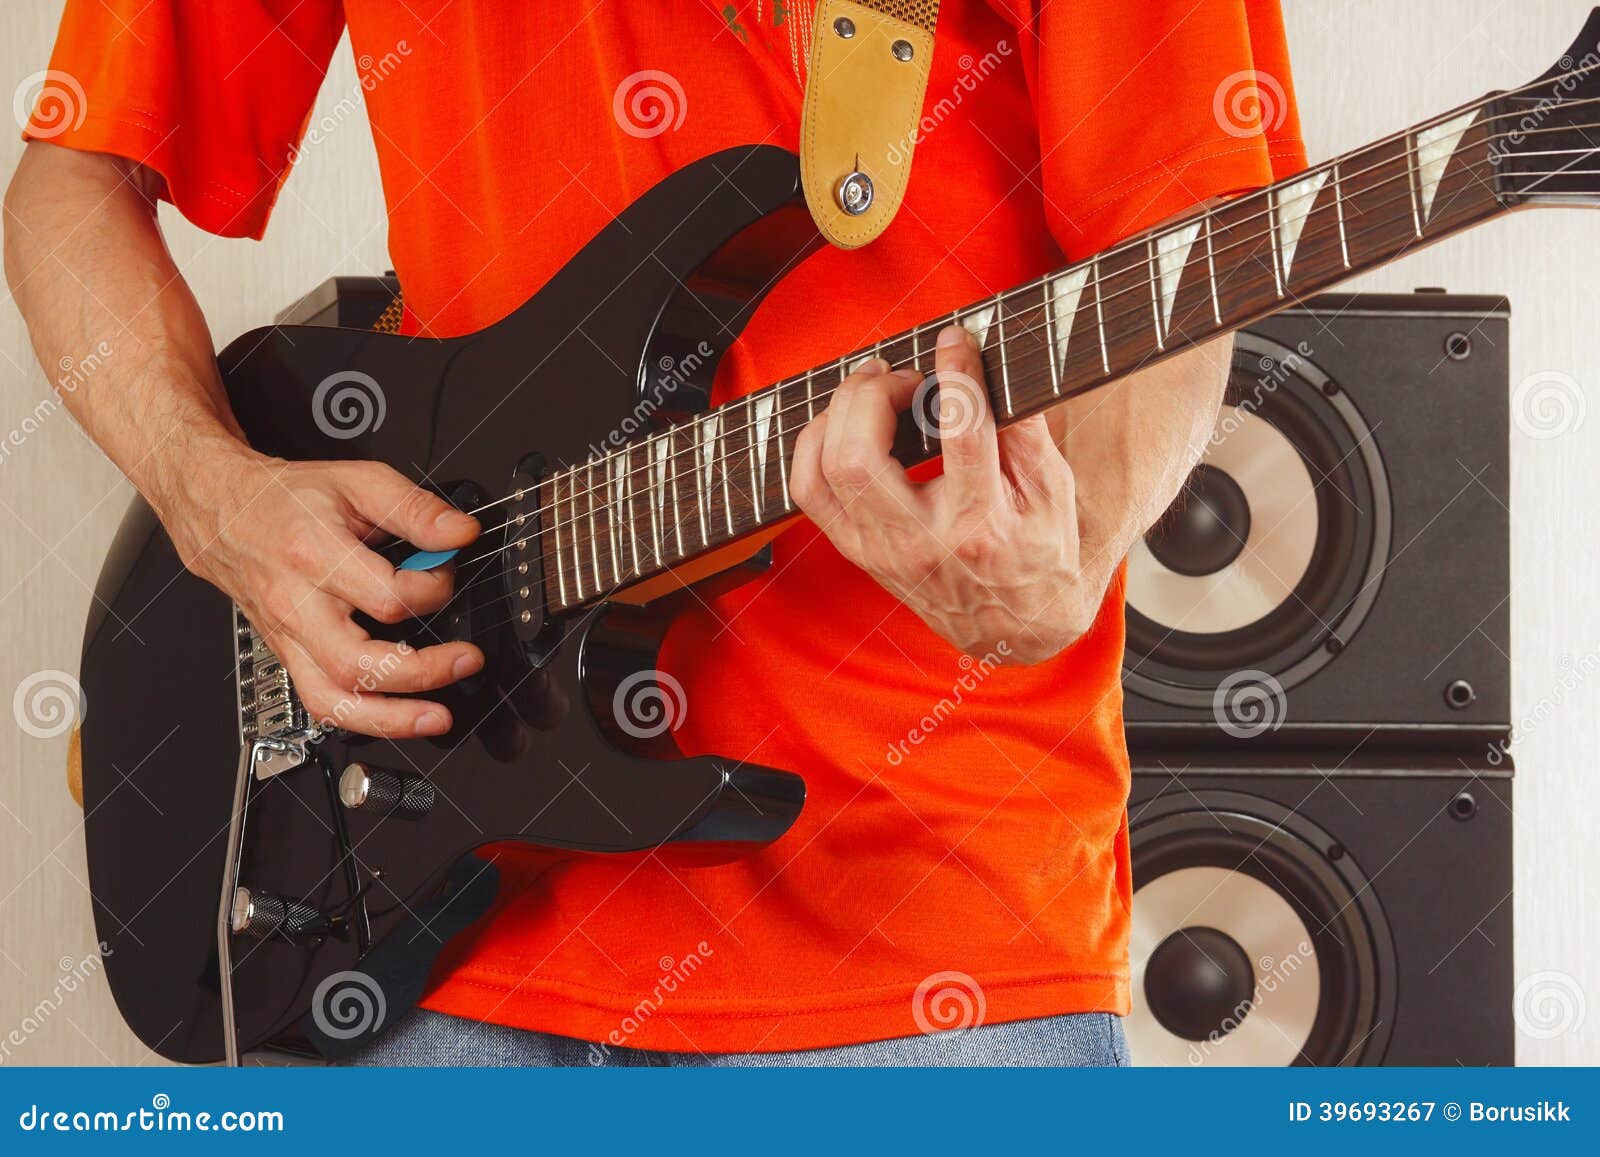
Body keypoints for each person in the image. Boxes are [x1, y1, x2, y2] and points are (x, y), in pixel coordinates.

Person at [5, 1, 1305, 1066]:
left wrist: (1071, 552)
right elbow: (72, 186)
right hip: (420, 920)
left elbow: (1186, 233)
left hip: (923, 931)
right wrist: (216, 498)